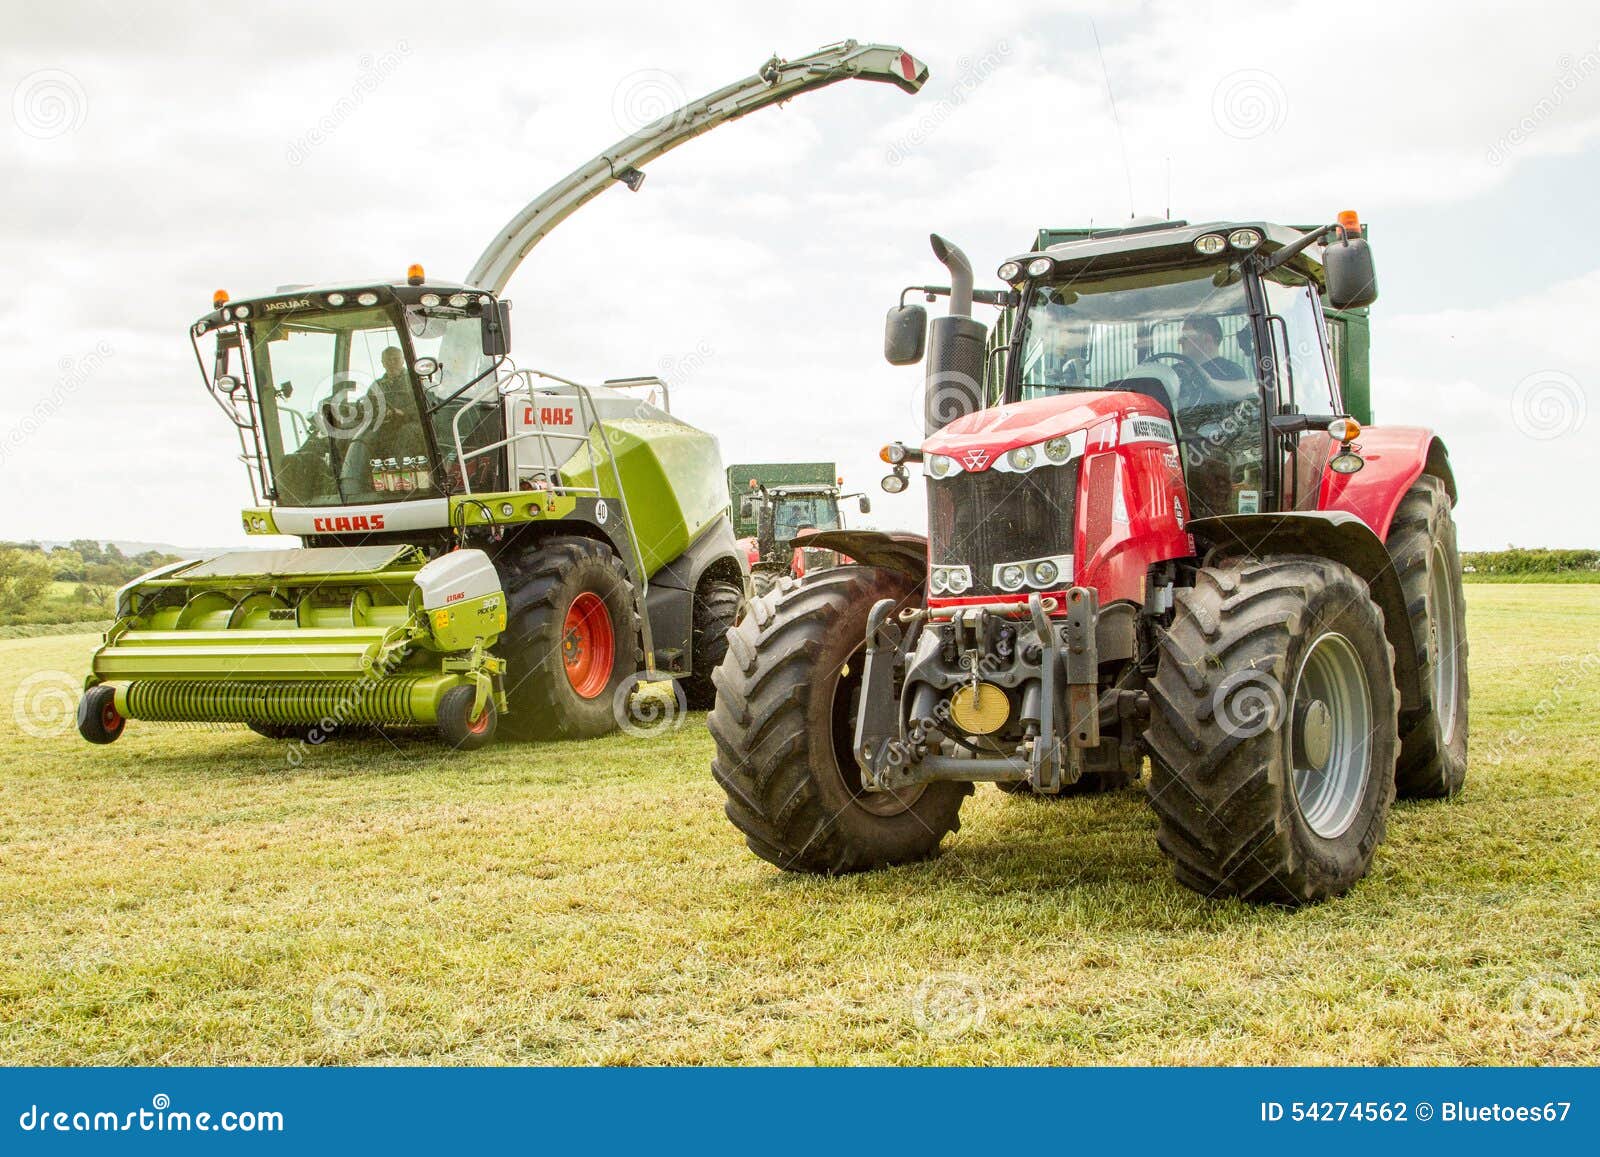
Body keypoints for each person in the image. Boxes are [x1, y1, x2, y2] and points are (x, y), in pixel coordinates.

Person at [1180, 316, 1248, 381]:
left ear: (1207, 340)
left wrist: (1209, 383)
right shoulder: (1177, 371)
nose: (1179, 341)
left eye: (1185, 337)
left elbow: (1242, 389)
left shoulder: (1231, 371)